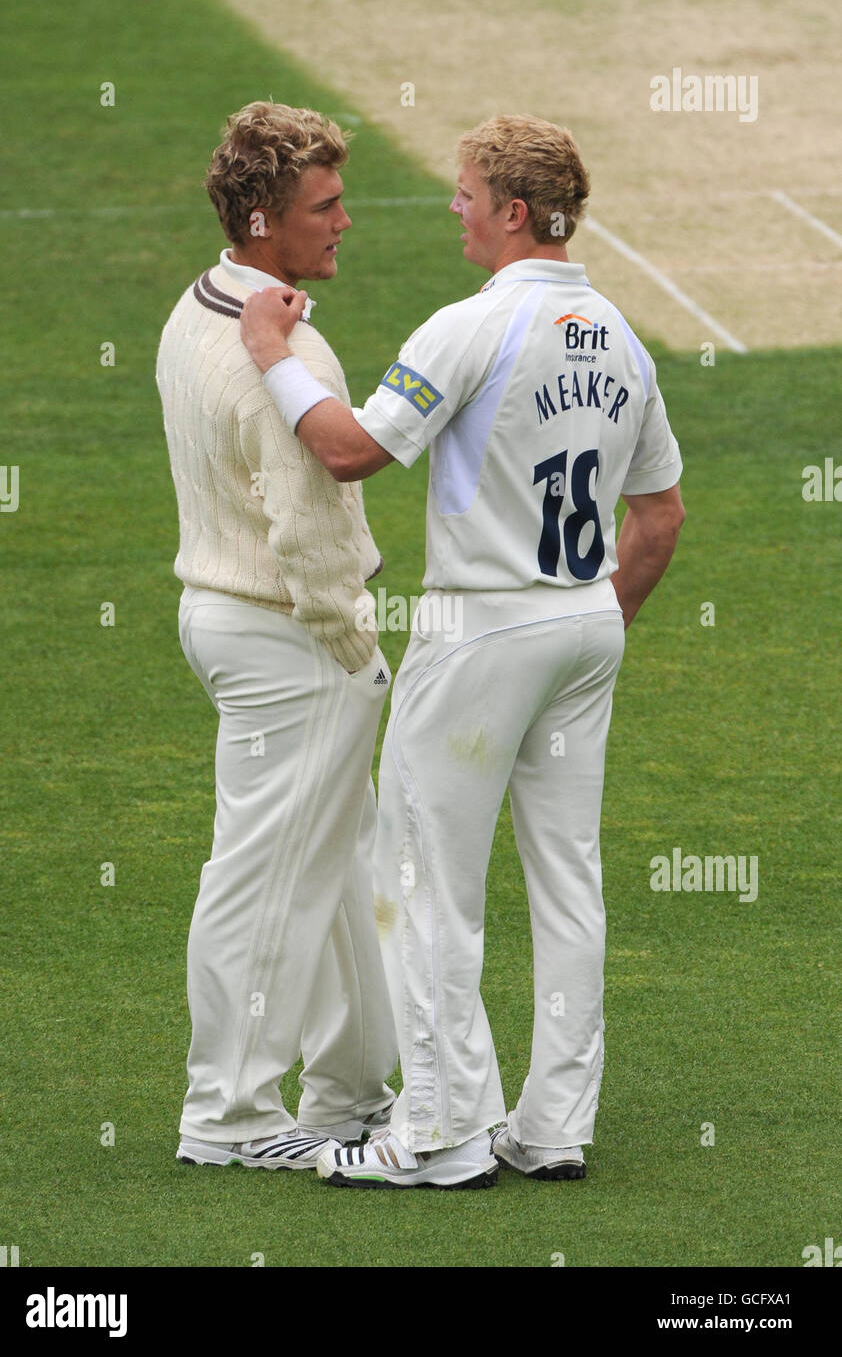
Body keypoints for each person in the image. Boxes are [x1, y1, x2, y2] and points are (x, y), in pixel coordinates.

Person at [239, 113, 685, 1189]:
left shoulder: (468, 326)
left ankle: (435, 1132)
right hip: (582, 622)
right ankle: (551, 1127)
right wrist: (582, 626)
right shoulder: (621, 336)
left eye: (467, 190)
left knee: (419, 874)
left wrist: (268, 352)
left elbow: (350, 450)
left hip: (481, 624)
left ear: (514, 211)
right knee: (567, 883)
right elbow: (658, 516)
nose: (453, 205)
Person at [156, 101, 397, 1170]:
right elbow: (307, 529)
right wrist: (350, 638)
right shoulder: (282, 352)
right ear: (263, 219)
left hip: (233, 620)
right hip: (287, 635)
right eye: (325, 205)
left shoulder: (196, 306)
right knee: (268, 875)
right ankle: (232, 1117)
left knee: (335, 859)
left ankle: (348, 1091)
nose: (344, 221)